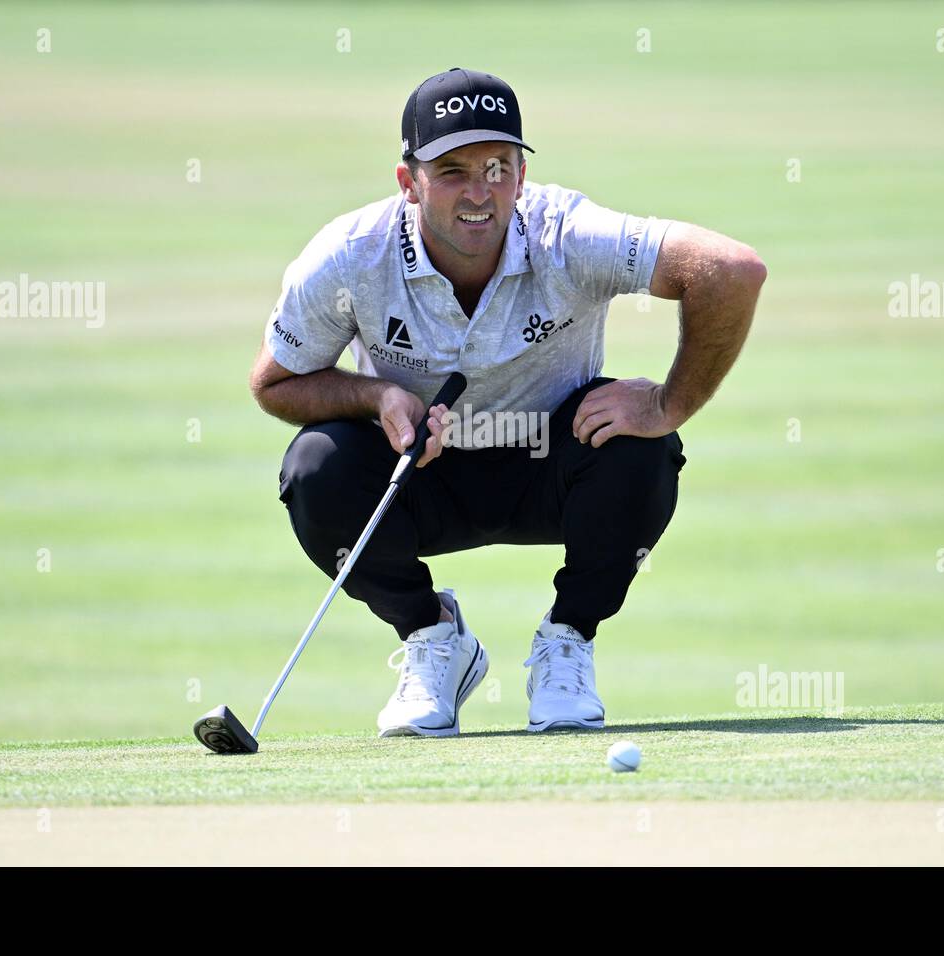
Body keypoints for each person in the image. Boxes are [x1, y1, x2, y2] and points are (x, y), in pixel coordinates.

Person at [250, 67, 766, 737]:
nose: (480, 192)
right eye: (454, 170)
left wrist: (670, 403)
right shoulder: (350, 258)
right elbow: (275, 383)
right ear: (409, 183)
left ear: (522, 175)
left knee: (643, 446)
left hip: (552, 461)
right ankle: (433, 639)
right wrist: (376, 397)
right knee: (316, 466)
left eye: (498, 167)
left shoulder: (567, 234)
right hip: (421, 469)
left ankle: (568, 644)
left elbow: (731, 270)